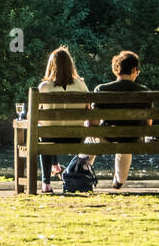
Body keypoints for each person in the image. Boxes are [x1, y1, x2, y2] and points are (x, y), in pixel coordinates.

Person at [92, 50, 151, 190]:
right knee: (126, 141)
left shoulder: (102, 89)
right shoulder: (145, 92)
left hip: (108, 136)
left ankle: (82, 168)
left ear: (116, 70)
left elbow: (93, 122)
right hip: (133, 137)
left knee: (90, 136)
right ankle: (118, 181)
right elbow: (148, 124)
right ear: (134, 70)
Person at [37, 46, 89, 193]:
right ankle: (56, 166)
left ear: (51, 66)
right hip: (76, 138)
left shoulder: (44, 87)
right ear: (70, 65)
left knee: (46, 133)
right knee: (50, 131)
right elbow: (88, 111)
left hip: (50, 138)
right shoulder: (81, 85)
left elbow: (33, 117)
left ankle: (46, 184)